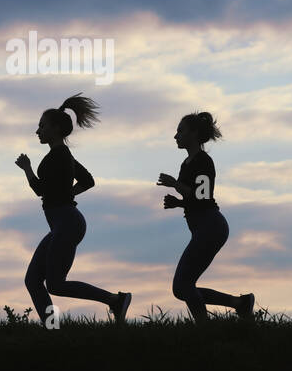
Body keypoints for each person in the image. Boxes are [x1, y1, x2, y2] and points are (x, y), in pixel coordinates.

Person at [16, 93, 131, 326]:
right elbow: (88, 180)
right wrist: (69, 195)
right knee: (33, 280)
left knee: (56, 284)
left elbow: (40, 190)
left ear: (56, 129)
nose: (37, 131)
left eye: (42, 126)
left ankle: (115, 300)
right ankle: (52, 328)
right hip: (64, 223)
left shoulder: (55, 158)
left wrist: (27, 168)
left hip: (66, 223)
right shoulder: (64, 155)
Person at [157, 112, 255, 324]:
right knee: (183, 286)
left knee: (183, 285)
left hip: (211, 226)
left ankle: (204, 326)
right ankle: (240, 304)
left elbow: (202, 195)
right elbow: (195, 198)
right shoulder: (186, 163)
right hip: (203, 226)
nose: (176, 136)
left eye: (180, 131)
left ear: (194, 133)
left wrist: (175, 184)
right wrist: (178, 203)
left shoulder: (203, 161)